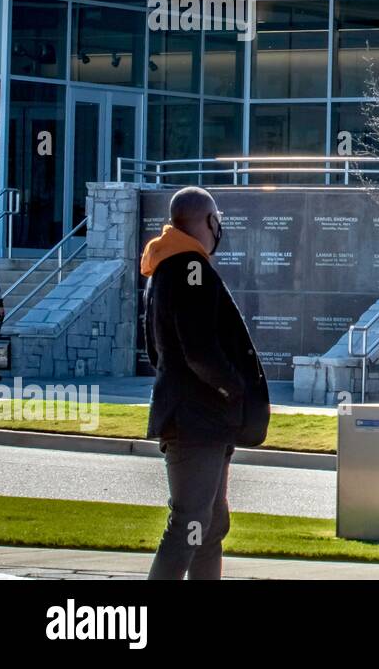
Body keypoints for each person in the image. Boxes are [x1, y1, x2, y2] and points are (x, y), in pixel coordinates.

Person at [141, 186, 270, 580]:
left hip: (202, 419)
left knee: (208, 526)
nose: (220, 228)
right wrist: (233, 388)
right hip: (197, 421)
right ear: (209, 221)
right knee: (190, 523)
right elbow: (198, 349)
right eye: (218, 220)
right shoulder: (188, 269)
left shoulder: (171, 268)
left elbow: (159, 350)